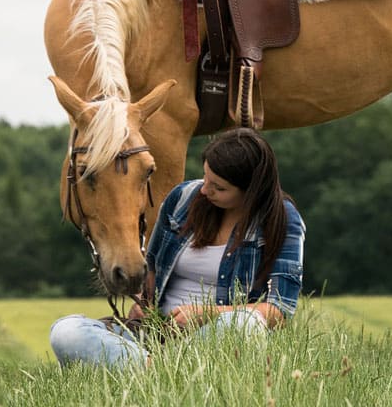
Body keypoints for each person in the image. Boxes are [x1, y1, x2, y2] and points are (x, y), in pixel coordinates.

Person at [49, 127, 305, 368]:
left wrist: (208, 314)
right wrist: (143, 304)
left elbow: (279, 311)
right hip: (155, 333)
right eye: (206, 177)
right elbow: (152, 268)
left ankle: (145, 368)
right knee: (66, 332)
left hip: (212, 336)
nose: (204, 190)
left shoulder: (283, 220)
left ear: (251, 192)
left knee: (243, 325)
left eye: (219, 187)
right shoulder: (183, 198)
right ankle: (160, 369)